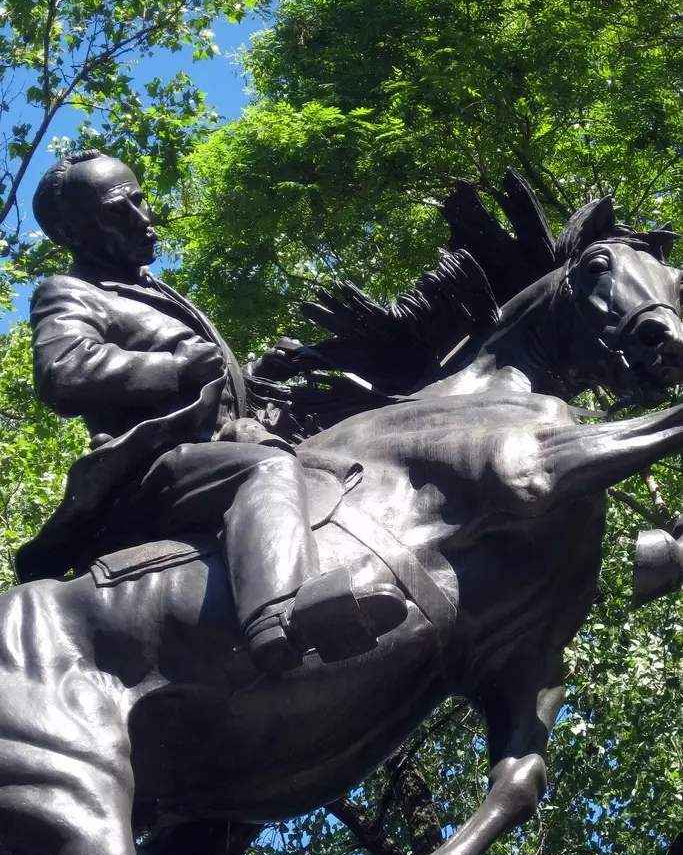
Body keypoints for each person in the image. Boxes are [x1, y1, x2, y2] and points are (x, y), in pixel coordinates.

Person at [15, 151, 406, 673]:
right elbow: (62, 370)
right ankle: (284, 615)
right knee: (264, 467)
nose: (141, 216)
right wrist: (173, 367)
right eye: (117, 210)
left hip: (213, 453)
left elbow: (210, 391)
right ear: (72, 232)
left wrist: (257, 372)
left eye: (139, 199)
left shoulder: (148, 289)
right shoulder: (69, 292)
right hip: (152, 473)